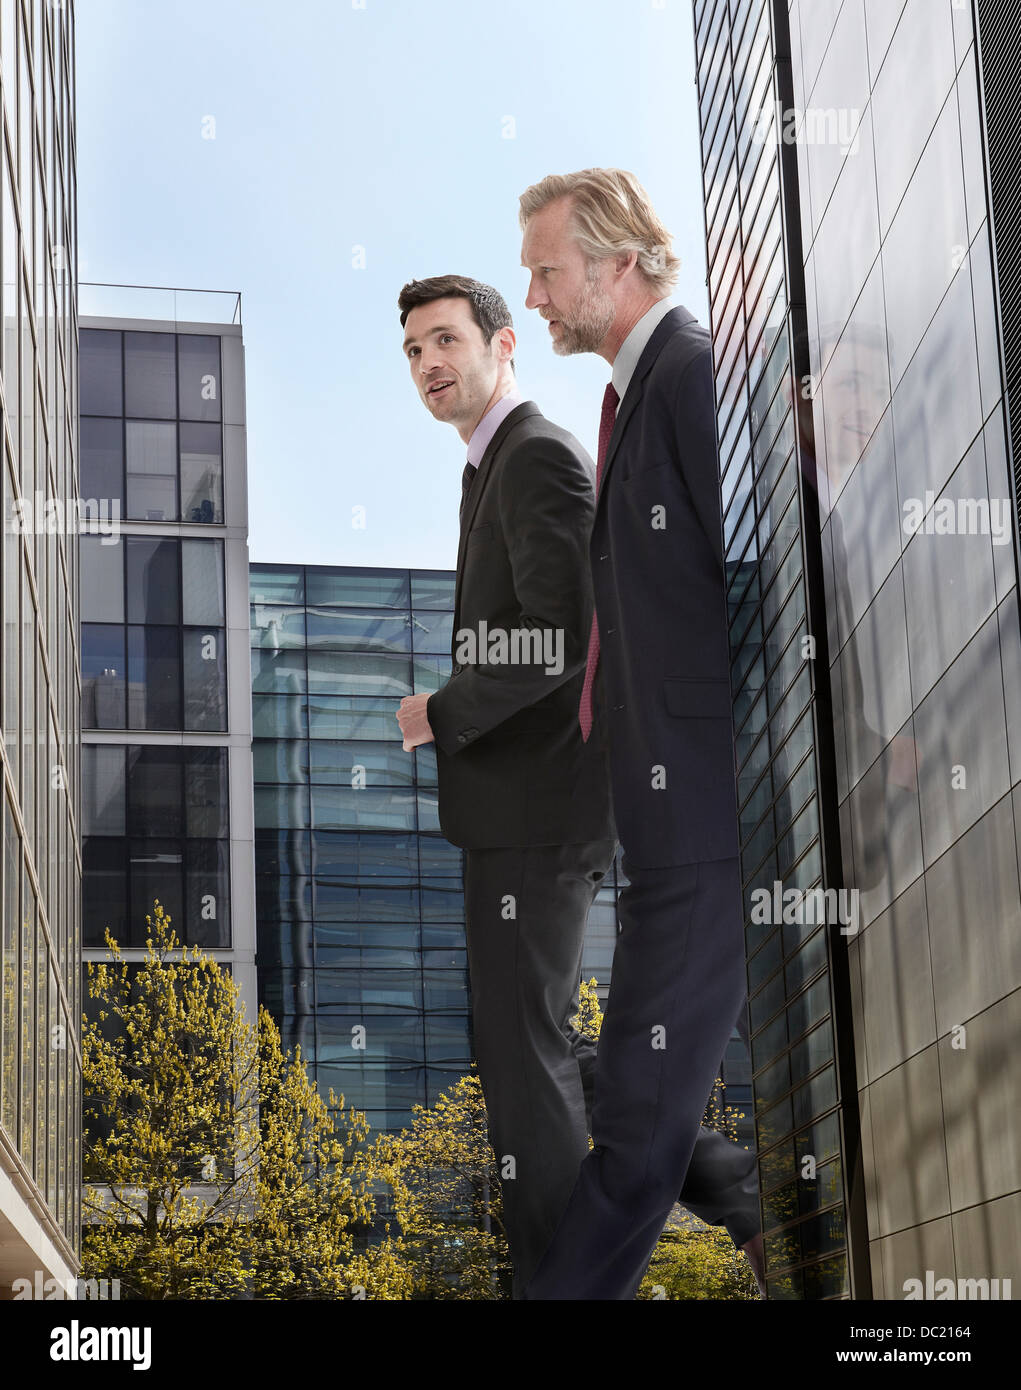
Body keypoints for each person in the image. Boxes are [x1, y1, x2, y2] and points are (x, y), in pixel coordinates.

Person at [517, 169, 765, 1299]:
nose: (533, 296)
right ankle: (792, 1242)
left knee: (633, 1134)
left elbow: (756, 580)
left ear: (617, 264)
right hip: (666, 828)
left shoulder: (690, 374)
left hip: (706, 818)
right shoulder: (637, 390)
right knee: (646, 1119)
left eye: (546, 270)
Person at [395, 274, 615, 1296]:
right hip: (513, 819)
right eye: (413, 351)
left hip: (540, 815)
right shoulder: (487, 468)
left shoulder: (531, 457)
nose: (429, 364)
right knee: (526, 1055)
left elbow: (560, 637)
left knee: (527, 1062)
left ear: (503, 342)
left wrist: (436, 712)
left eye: (445, 340)